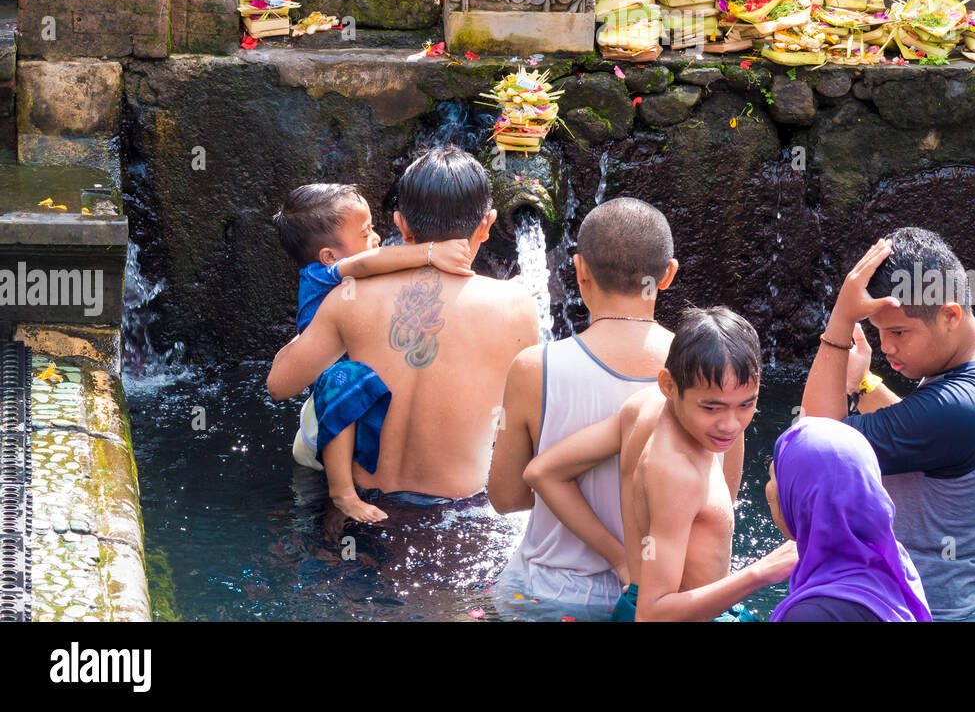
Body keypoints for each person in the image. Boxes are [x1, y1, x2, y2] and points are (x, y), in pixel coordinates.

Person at [267, 146, 537, 506]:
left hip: (362, 505)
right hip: (456, 518)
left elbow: (279, 386)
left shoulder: (348, 297)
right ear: (487, 224)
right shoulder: (517, 305)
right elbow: (528, 438)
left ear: (401, 226)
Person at [800, 228, 975, 621]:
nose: (886, 347)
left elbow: (815, 445)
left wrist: (840, 323)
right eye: (878, 331)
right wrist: (862, 384)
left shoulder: (961, 409)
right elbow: (924, 431)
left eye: (898, 332)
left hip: (929, 612)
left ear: (949, 315)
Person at [523, 306, 797, 621]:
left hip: (641, 601)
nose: (731, 425)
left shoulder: (642, 407)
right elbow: (652, 615)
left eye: (746, 405)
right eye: (712, 408)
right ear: (668, 385)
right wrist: (760, 572)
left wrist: (621, 561)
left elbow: (542, 471)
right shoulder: (677, 471)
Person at [487, 197, 679, 619]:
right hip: (660, 597)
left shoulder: (534, 368)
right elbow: (718, 492)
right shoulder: (708, 371)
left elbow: (505, 498)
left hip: (546, 595)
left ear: (579, 270)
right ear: (667, 275)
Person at [271, 181, 475, 522]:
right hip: (331, 407)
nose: (377, 239)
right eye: (366, 233)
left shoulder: (344, 280)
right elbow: (366, 264)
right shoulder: (326, 275)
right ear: (329, 256)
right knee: (346, 379)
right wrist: (429, 252)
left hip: (352, 402)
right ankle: (342, 493)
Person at [765, 417, 931, 623]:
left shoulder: (814, 614)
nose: (768, 489)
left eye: (774, 477)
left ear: (803, 499)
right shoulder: (891, 568)